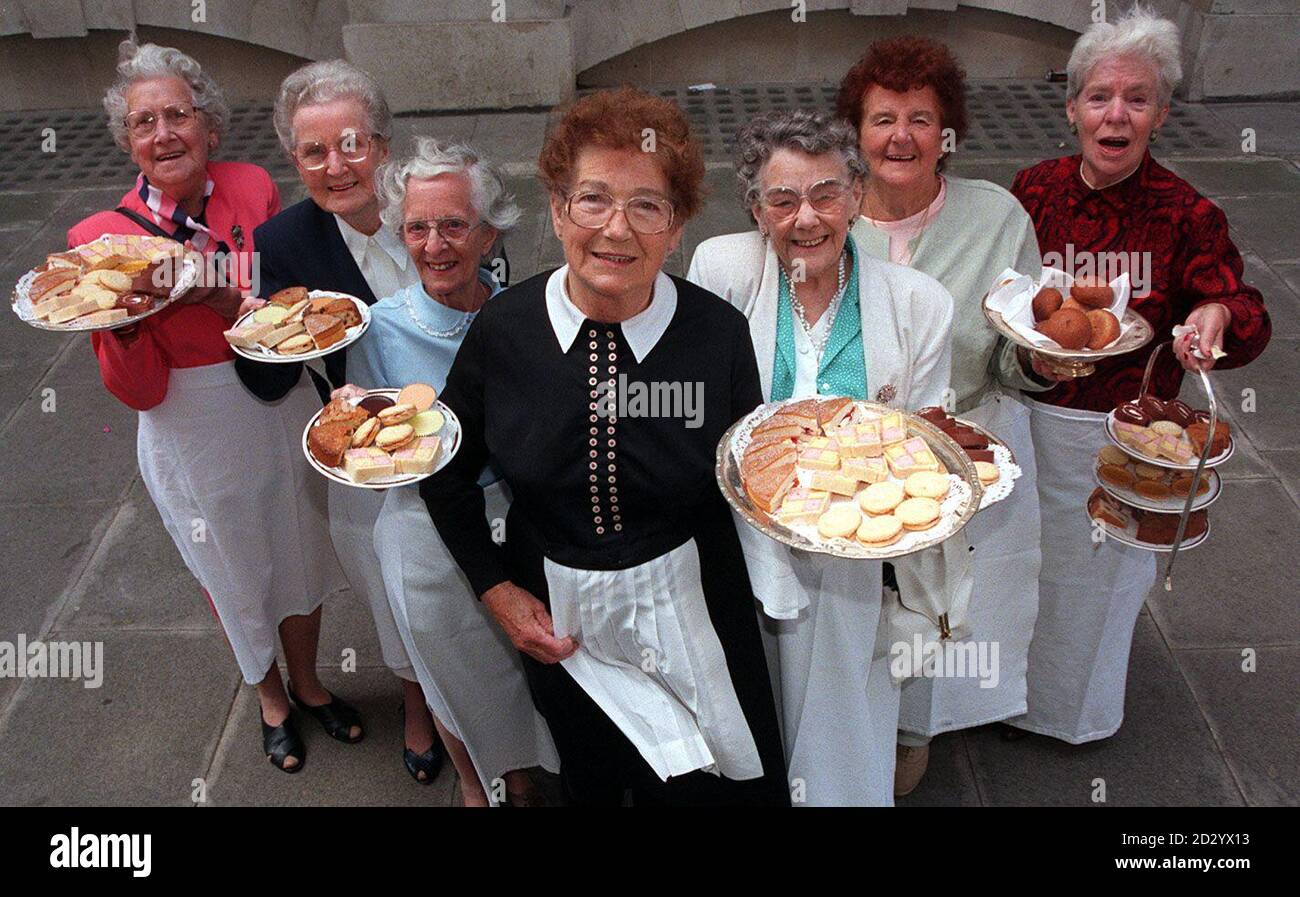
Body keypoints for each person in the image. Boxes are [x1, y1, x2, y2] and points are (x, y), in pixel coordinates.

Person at [424, 87, 789, 805]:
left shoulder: (716, 336)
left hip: (696, 614)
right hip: (562, 624)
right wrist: (495, 587)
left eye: (648, 205)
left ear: (678, 225)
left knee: (707, 788)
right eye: (592, 200)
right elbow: (442, 468)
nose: (616, 230)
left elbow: (754, 477)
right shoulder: (506, 331)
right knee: (592, 778)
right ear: (558, 210)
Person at [68, 38, 348, 773]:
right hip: (191, 426)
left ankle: (312, 683)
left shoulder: (251, 186)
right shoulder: (101, 243)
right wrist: (128, 320)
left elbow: (276, 298)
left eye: (178, 115)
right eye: (143, 122)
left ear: (210, 127)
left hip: (273, 392)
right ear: (128, 140)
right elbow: (138, 391)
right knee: (231, 566)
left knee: (298, 547)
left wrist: (228, 294)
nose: (163, 134)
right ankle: (272, 700)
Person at [1008, 5, 1270, 743]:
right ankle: (1005, 697)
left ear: (1158, 114)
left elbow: (1244, 307)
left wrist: (1215, 316)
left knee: (1099, 585)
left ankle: (1070, 717)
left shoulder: (1187, 213)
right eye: (1099, 96)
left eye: (1137, 98)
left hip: (1124, 439)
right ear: (1072, 109)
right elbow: (1003, 294)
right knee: (1027, 568)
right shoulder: (1034, 190)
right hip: (1031, 419)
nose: (1115, 113)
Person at [688, 109, 956, 805]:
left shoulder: (919, 304)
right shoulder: (720, 270)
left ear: (858, 197)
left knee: (841, 713)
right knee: (750, 702)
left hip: (856, 558)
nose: (805, 218)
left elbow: (923, 443)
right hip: (744, 543)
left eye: (826, 194)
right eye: (782, 199)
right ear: (755, 209)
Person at [836, 36, 1048, 794]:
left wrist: (1043, 361)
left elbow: (1012, 355)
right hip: (843, 454)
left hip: (951, 453)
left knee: (932, 603)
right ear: (855, 133)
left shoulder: (996, 216)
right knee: (846, 602)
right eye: (883, 117)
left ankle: (911, 727)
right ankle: (837, 712)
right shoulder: (826, 215)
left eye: (921, 118)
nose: (901, 136)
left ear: (947, 133)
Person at [232, 60, 438, 780]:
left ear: (382, 143)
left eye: (351, 142)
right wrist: (257, 333)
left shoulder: (433, 205)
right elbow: (266, 383)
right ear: (295, 161)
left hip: (460, 431)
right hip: (361, 453)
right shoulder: (283, 243)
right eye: (314, 151)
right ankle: (417, 707)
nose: (336, 164)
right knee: (389, 587)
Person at [336, 138, 558, 804]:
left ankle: (527, 775)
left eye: (454, 224)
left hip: (520, 519)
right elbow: (372, 447)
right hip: (422, 523)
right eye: (417, 226)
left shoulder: (528, 317)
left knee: (523, 668)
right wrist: (353, 423)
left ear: (488, 232)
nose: (434, 244)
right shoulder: (373, 328)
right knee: (451, 670)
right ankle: (476, 782)